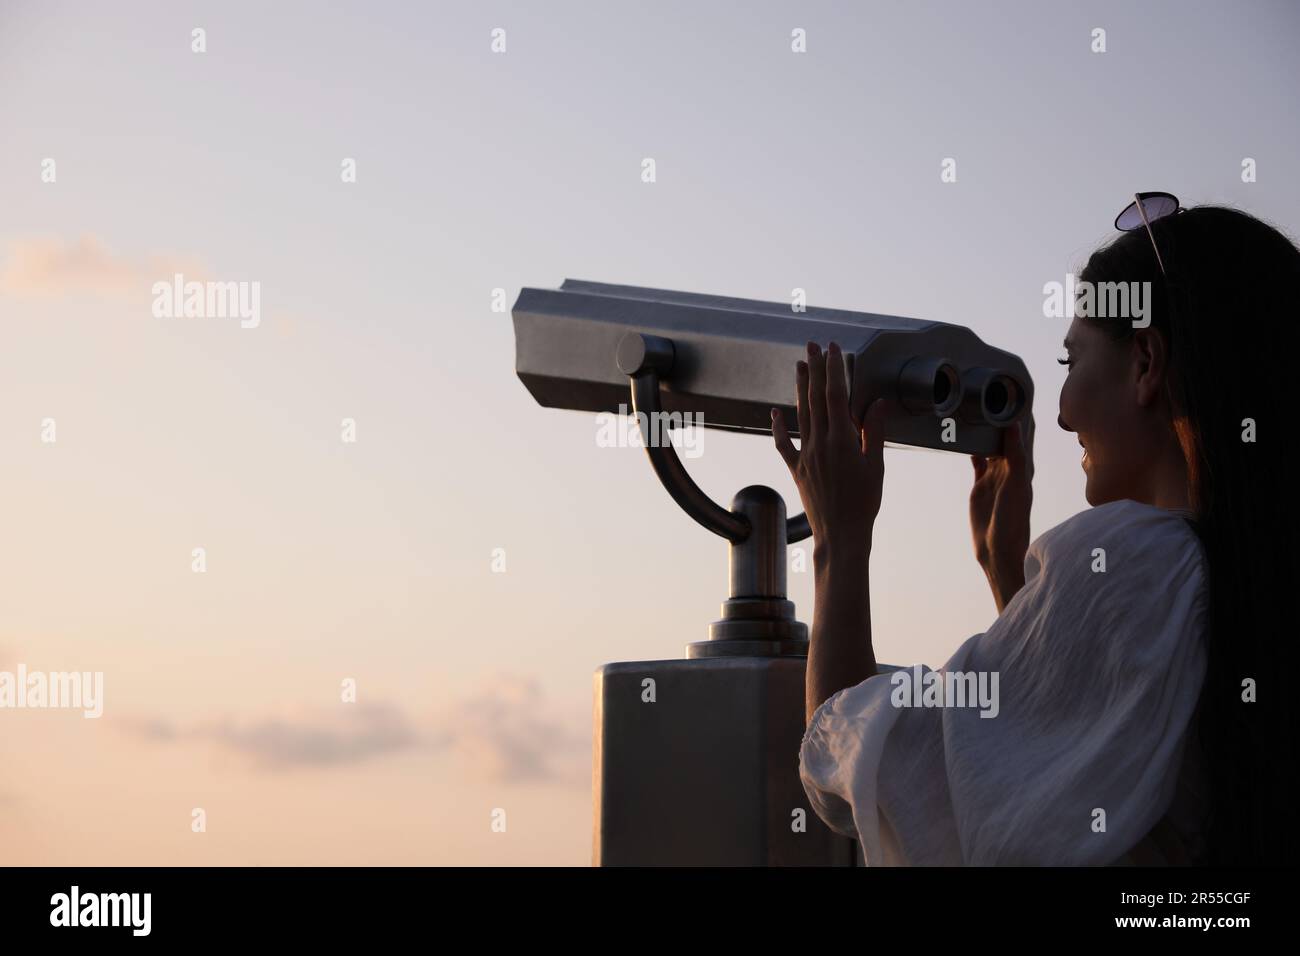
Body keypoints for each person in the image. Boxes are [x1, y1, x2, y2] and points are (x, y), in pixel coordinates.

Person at [771, 201, 1300, 865]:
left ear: (1145, 363)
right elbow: (1096, 784)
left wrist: (838, 541)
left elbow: (854, 773)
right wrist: (1011, 583)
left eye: (1070, 362)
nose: (1060, 412)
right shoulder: (1233, 571)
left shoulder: (1144, 560)